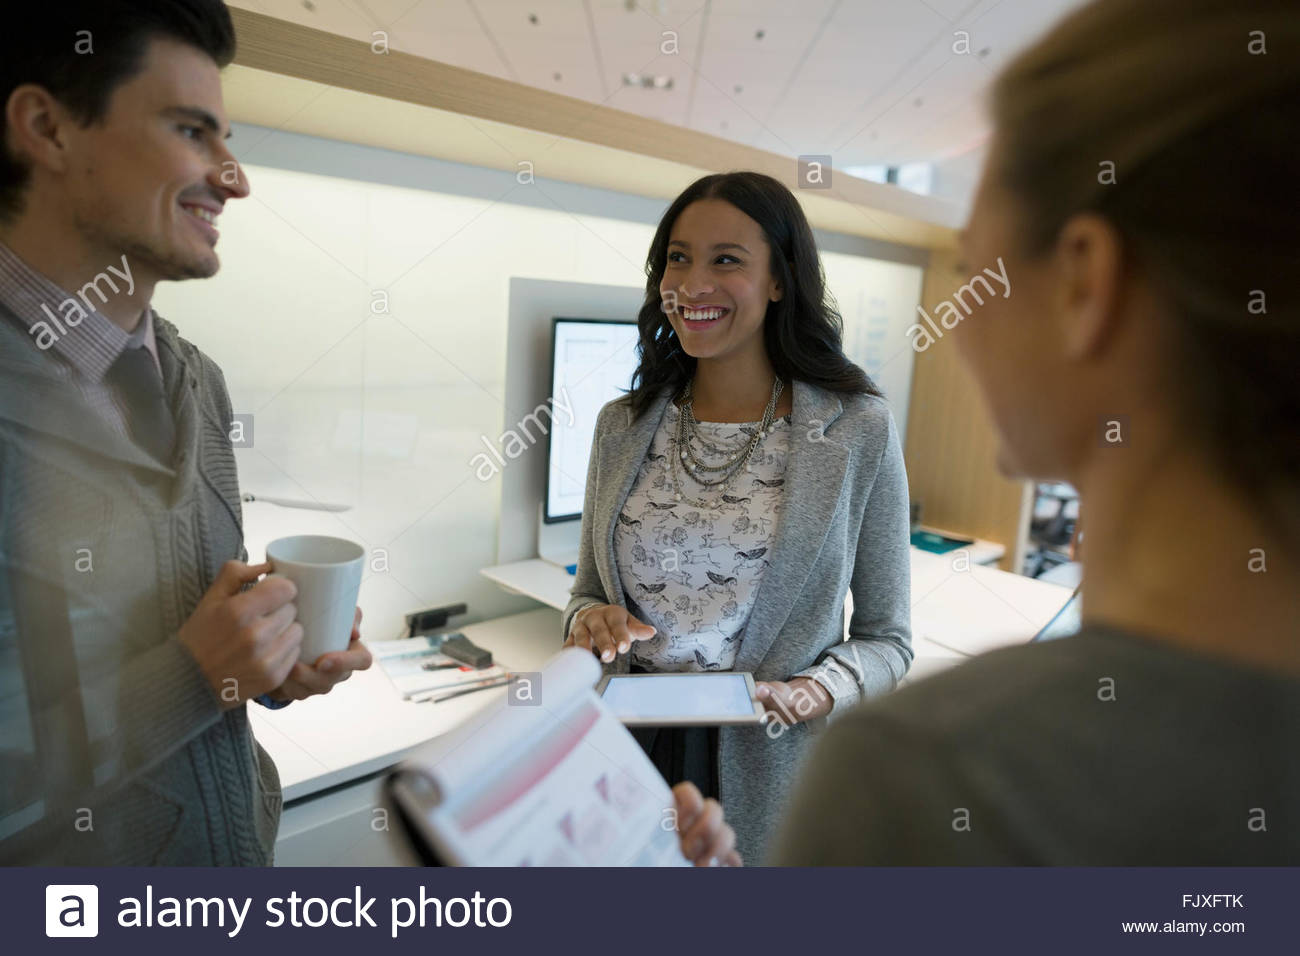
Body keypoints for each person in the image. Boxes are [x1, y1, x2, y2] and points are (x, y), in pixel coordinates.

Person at [680, 0, 1300, 865]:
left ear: (1084, 284)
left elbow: (883, 637)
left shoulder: (929, 778)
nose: (963, 324)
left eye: (976, 269)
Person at [0, 1, 371, 865]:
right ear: (48, 129)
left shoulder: (197, 381)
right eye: (191, 132)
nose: (234, 179)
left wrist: (267, 666)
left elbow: (187, 646)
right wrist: (194, 677)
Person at [564, 171, 912, 861]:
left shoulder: (857, 430)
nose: (692, 284)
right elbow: (585, 598)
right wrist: (587, 622)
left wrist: (819, 689)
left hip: (765, 762)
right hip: (621, 752)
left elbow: (888, 639)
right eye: (678, 258)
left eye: (726, 260)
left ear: (780, 281)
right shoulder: (621, 426)